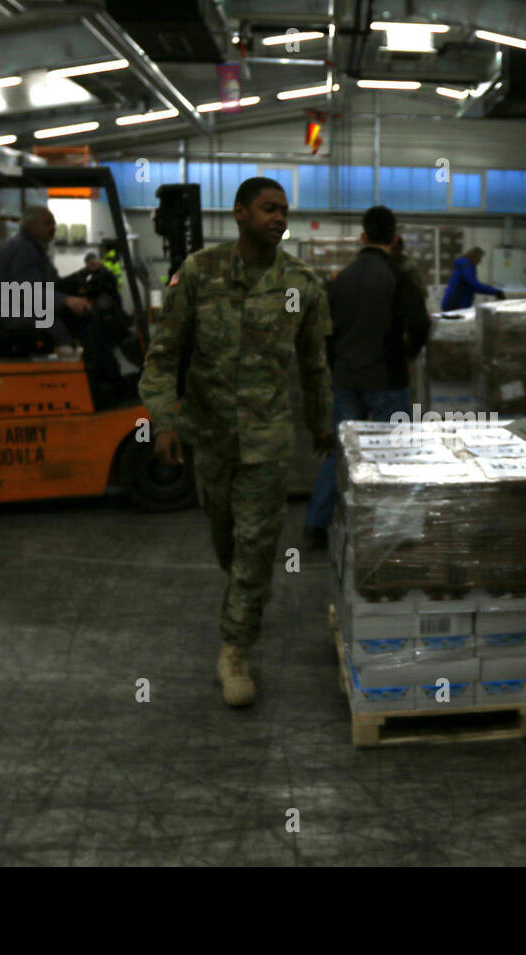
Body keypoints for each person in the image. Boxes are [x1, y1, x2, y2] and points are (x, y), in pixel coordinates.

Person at [138, 177, 333, 709]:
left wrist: (322, 421)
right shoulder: (200, 273)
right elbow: (162, 357)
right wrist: (165, 421)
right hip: (213, 436)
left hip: (268, 440)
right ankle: (245, 596)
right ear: (240, 212)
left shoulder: (302, 284)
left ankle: (234, 648)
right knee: (227, 538)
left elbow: (315, 364)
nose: (279, 218)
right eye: (269, 209)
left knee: (255, 544)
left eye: (284, 211)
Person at [304, 206, 430, 547]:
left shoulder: (340, 279)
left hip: (346, 379)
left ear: (362, 237)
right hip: (387, 379)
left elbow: (326, 333)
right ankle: (387, 528)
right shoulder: (399, 275)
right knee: (391, 451)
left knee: (341, 452)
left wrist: (335, 368)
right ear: (394, 238)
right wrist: (407, 356)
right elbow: (420, 324)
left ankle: (317, 523)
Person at [0, 205, 89, 356]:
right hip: (15, 313)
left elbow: (54, 284)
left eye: (53, 223)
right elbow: (25, 291)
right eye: (47, 223)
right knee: (60, 328)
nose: (53, 228)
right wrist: (66, 301)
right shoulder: (23, 249)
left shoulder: (36, 249)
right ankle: (66, 354)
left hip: (26, 309)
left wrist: (82, 274)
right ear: (30, 225)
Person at [440, 246, 503, 311]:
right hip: (456, 303)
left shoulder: (464, 265)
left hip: (455, 302)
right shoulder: (466, 266)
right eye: (480, 258)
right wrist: (495, 291)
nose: (480, 261)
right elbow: (474, 285)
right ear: (475, 256)